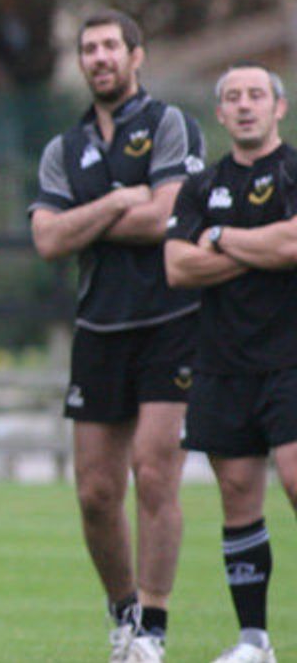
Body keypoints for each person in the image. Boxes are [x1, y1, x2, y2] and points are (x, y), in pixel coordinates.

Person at [29, 9, 204, 662]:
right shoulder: (61, 149)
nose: (99, 57)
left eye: (110, 46)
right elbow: (47, 239)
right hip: (98, 326)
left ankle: (153, 629)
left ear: (136, 55)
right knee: (96, 493)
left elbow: (165, 216)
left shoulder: (167, 124)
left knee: (154, 473)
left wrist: (86, 216)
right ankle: (123, 611)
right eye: (88, 49)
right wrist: (112, 204)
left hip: (170, 322)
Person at [164, 62, 297, 663]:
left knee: (295, 481)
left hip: (290, 359)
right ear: (219, 113)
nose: (245, 105)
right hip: (221, 362)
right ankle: (254, 641)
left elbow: (296, 244)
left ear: (279, 107)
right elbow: (176, 267)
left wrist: (218, 239)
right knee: (239, 493)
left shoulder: (294, 171)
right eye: (233, 97)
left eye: (256, 95)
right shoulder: (201, 185)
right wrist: (265, 248)